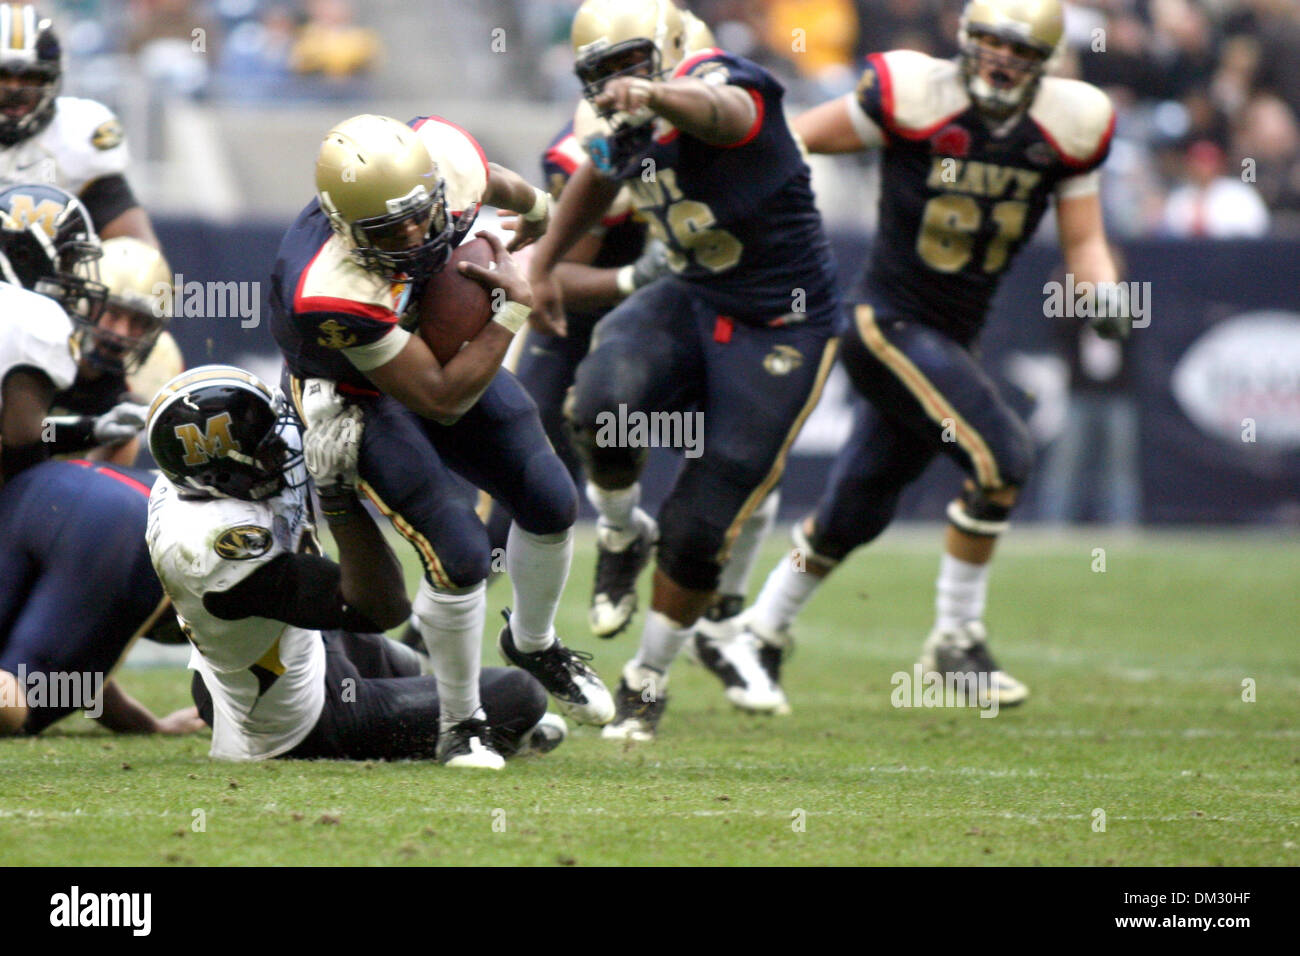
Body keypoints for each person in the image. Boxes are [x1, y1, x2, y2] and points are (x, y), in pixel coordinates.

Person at [732, 0, 1127, 711]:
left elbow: (1085, 241)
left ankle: (757, 629)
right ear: (967, 42)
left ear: (1043, 62)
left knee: (858, 507)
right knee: (1002, 458)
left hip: (951, 334)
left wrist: (1106, 295)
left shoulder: (1069, 125)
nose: (1002, 61)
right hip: (888, 321)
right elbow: (791, 144)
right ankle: (955, 642)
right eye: (991, 44)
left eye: (1019, 51)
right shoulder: (914, 96)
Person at [527, 0, 842, 739]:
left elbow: (724, 113)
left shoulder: (719, 78)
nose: (617, 84)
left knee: (702, 522)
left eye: (630, 64)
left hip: (781, 320)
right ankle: (616, 530)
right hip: (692, 292)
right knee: (601, 401)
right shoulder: (621, 123)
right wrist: (543, 263)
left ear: (667, 50)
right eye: (601, 74)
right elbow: (599, 176)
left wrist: (656, 92)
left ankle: (649, 675)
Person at [269, 112, 612, 768]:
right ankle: (461, 723)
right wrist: (512, 309)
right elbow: (440, 399)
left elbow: (489, 179)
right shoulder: (330, 287)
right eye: (387, 229)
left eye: (420, 214)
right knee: (456, 555)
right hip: (357, 391)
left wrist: (540, 208)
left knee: (549, 498)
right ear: (344, 227)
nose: (413, 234)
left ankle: (533, 643)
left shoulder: (444, 160)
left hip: (433, 344)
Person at [480, 8, 782, 709]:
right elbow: (553, 274)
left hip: (695, 314)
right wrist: (636, 279)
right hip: (585, 325)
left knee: (748, 462)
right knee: (521, 485)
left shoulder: (731, 121)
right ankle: (440, 637)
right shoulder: (601, 145)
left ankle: (722, 620)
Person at [144, 365, 563, 763]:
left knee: (412, 665)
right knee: (519, 693)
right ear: (225, 476)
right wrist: (338, 501)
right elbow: (381, 608)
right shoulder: (220, 546)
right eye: (268, 450)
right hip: (294, 719)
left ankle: (459, 717)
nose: (284, 450)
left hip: (275, 648)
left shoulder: (191, 478)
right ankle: (484, 731)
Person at [0, 457, 202, 736]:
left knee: (24, 683)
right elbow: (75, 649)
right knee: (17, 698)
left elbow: (79, 652)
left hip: (43, 481)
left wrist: (147, 726)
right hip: (128, 519)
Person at [0, 183, 144, 480]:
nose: (74, 279)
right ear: (26, 257)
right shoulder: (32, 319)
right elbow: (23, 453)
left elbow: (32, 430)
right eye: (69, 263)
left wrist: (90, 430)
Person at [0, 4, 159, 246]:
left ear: (53, 80)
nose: (14, 90)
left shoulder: (78, 132)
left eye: (29, 78)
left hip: (44, 282)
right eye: (2, 76)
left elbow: (135, 248)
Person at [48, 236, 182, 466]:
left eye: (139, 321)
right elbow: (18, 436)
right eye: (113, 312)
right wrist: (91, 431)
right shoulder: (40, 346)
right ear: (82, 304)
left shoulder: (152, 372)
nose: (122, 332)